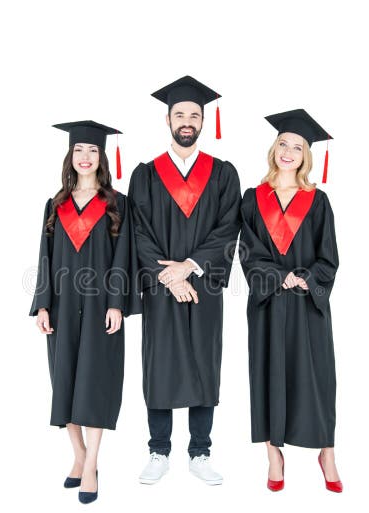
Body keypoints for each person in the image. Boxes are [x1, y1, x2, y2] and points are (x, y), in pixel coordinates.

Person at [128, 75, 241, 486]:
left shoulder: (224, 174)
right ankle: (158, 450)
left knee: (203, 364)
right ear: (168, 119)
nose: (187, 121)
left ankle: (200, 451)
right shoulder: (145, 174)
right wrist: (167, 275)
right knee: (159, 365)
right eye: (180, 114)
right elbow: (137, 232)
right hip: (162, 288)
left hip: (203, 285)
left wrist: (190, 266)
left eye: (194, 114)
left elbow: (228, 229)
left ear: (204, 121)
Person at [29, 120, 141, 504]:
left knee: (94, 384)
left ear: (103, 156)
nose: (86, 157)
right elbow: (43, 257)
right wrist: (42, 303)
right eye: (79, 150)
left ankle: (91, 463)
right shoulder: (55, 204)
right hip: (60, 306)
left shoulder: (117, 204)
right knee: (65, 383)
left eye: (93, 150)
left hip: (99, 309)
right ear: (70, 155)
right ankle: (77, 455)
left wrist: (116, 303)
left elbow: (124, 257)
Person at [239, 109, 343, 493]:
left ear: (306, 156)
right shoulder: (252, 199)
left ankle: (326, 452)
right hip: (268, 304)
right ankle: (273, 454)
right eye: (283, 143)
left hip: (306, 303)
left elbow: (328, 256)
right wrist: (278, 275)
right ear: (274, 148)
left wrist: (305, 278)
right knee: (268, 375)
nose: (288, 151)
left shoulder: (317, 201)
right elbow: (247, 252)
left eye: (297, 147)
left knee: (316, 378)